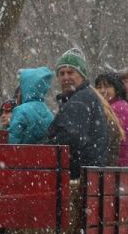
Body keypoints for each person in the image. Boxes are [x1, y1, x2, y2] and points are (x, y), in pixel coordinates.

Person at [46, 48, 108, 178]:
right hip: (88, 175)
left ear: (82, 75)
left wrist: (44, 147)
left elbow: (71, 137)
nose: (65, 77)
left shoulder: (80, 101)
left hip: (79, 176)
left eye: (70, 72)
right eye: (61, 73)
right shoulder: (81, 97)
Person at [94, 71, 128, 166]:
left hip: (117, 169)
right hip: (122, 169)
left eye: (107, 86)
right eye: (99, 87)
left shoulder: (116, 109)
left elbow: (106, 140)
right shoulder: (120, 105)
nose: (102, 90)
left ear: (117, 88)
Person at [8, 67, 53, 144]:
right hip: (43, 155)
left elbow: (13, 140)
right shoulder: (49, 113)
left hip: (22, 155)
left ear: (25, 88)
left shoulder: (20, 111)